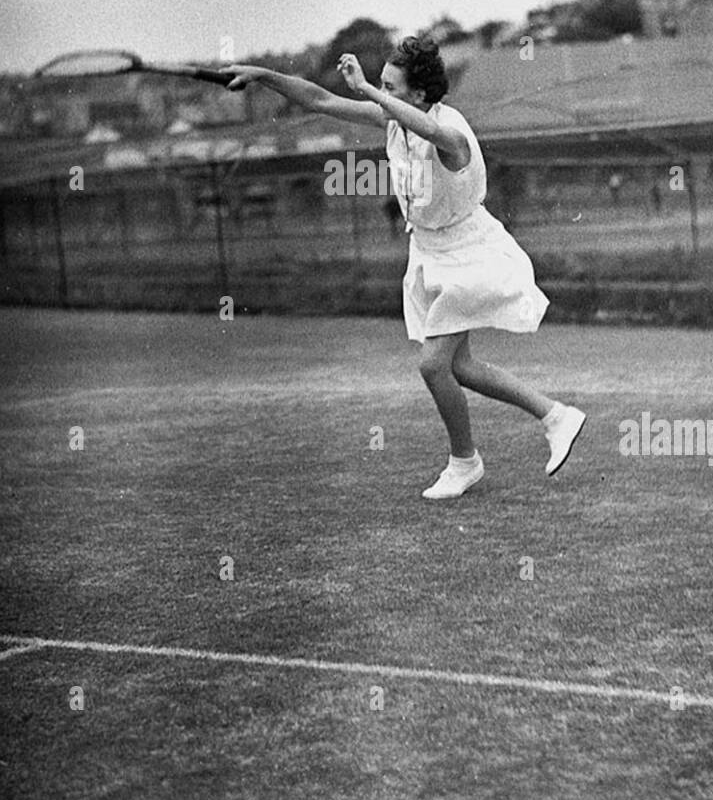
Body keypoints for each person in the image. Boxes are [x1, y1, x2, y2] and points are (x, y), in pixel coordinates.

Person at [221, 35, 586, 499]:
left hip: (471, 253)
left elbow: (432, 134)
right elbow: (320, 98)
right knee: (461, 367)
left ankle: (465, 462)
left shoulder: (450, 134)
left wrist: (372, 95)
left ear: (417, 95)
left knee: (434, 366)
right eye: (381, 84)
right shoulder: (393, 118)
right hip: (431, 251)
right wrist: (263, 75)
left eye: (391, 87)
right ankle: (556, 416)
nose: (381, 92)